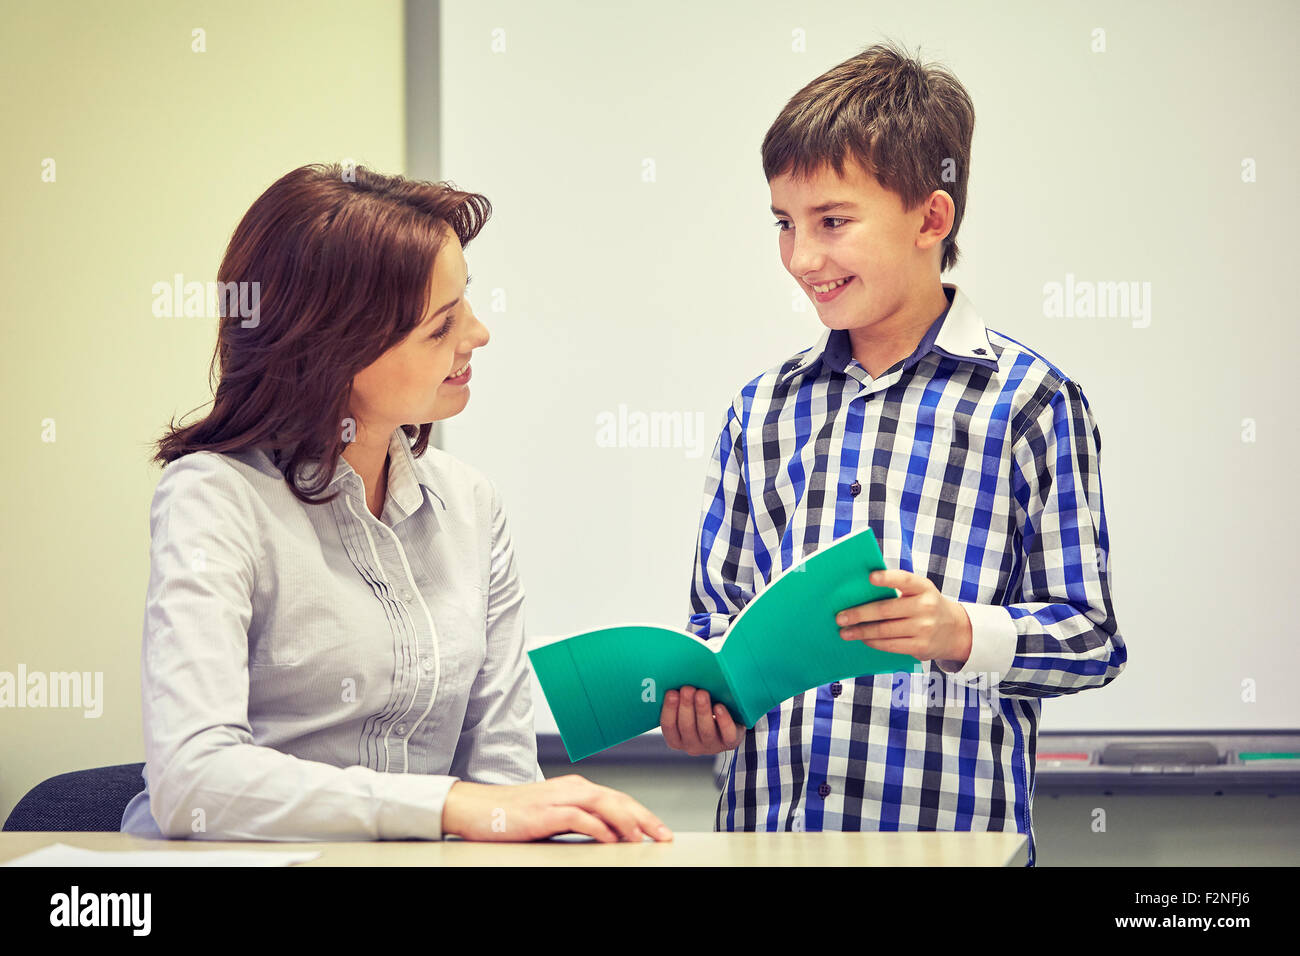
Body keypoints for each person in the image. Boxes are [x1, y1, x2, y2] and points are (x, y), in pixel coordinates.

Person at [658, 41, 1125, 867]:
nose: (802, 258)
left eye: (832, 222)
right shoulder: (760, 411)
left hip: (954, 850)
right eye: (784, 224)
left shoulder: (1030, 404)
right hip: (765, 847)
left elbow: (1089, 638)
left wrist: (958, 632)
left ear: (931, 219)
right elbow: (713, 623)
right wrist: (702, 698)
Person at [121, 163, 672, 844]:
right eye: (442, 325)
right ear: (335, 349)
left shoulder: (471, 505)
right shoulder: (214, 498)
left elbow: (504, 784)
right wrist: (444, 807)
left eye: (465, 303)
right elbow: (191, 781)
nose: (477, 335)